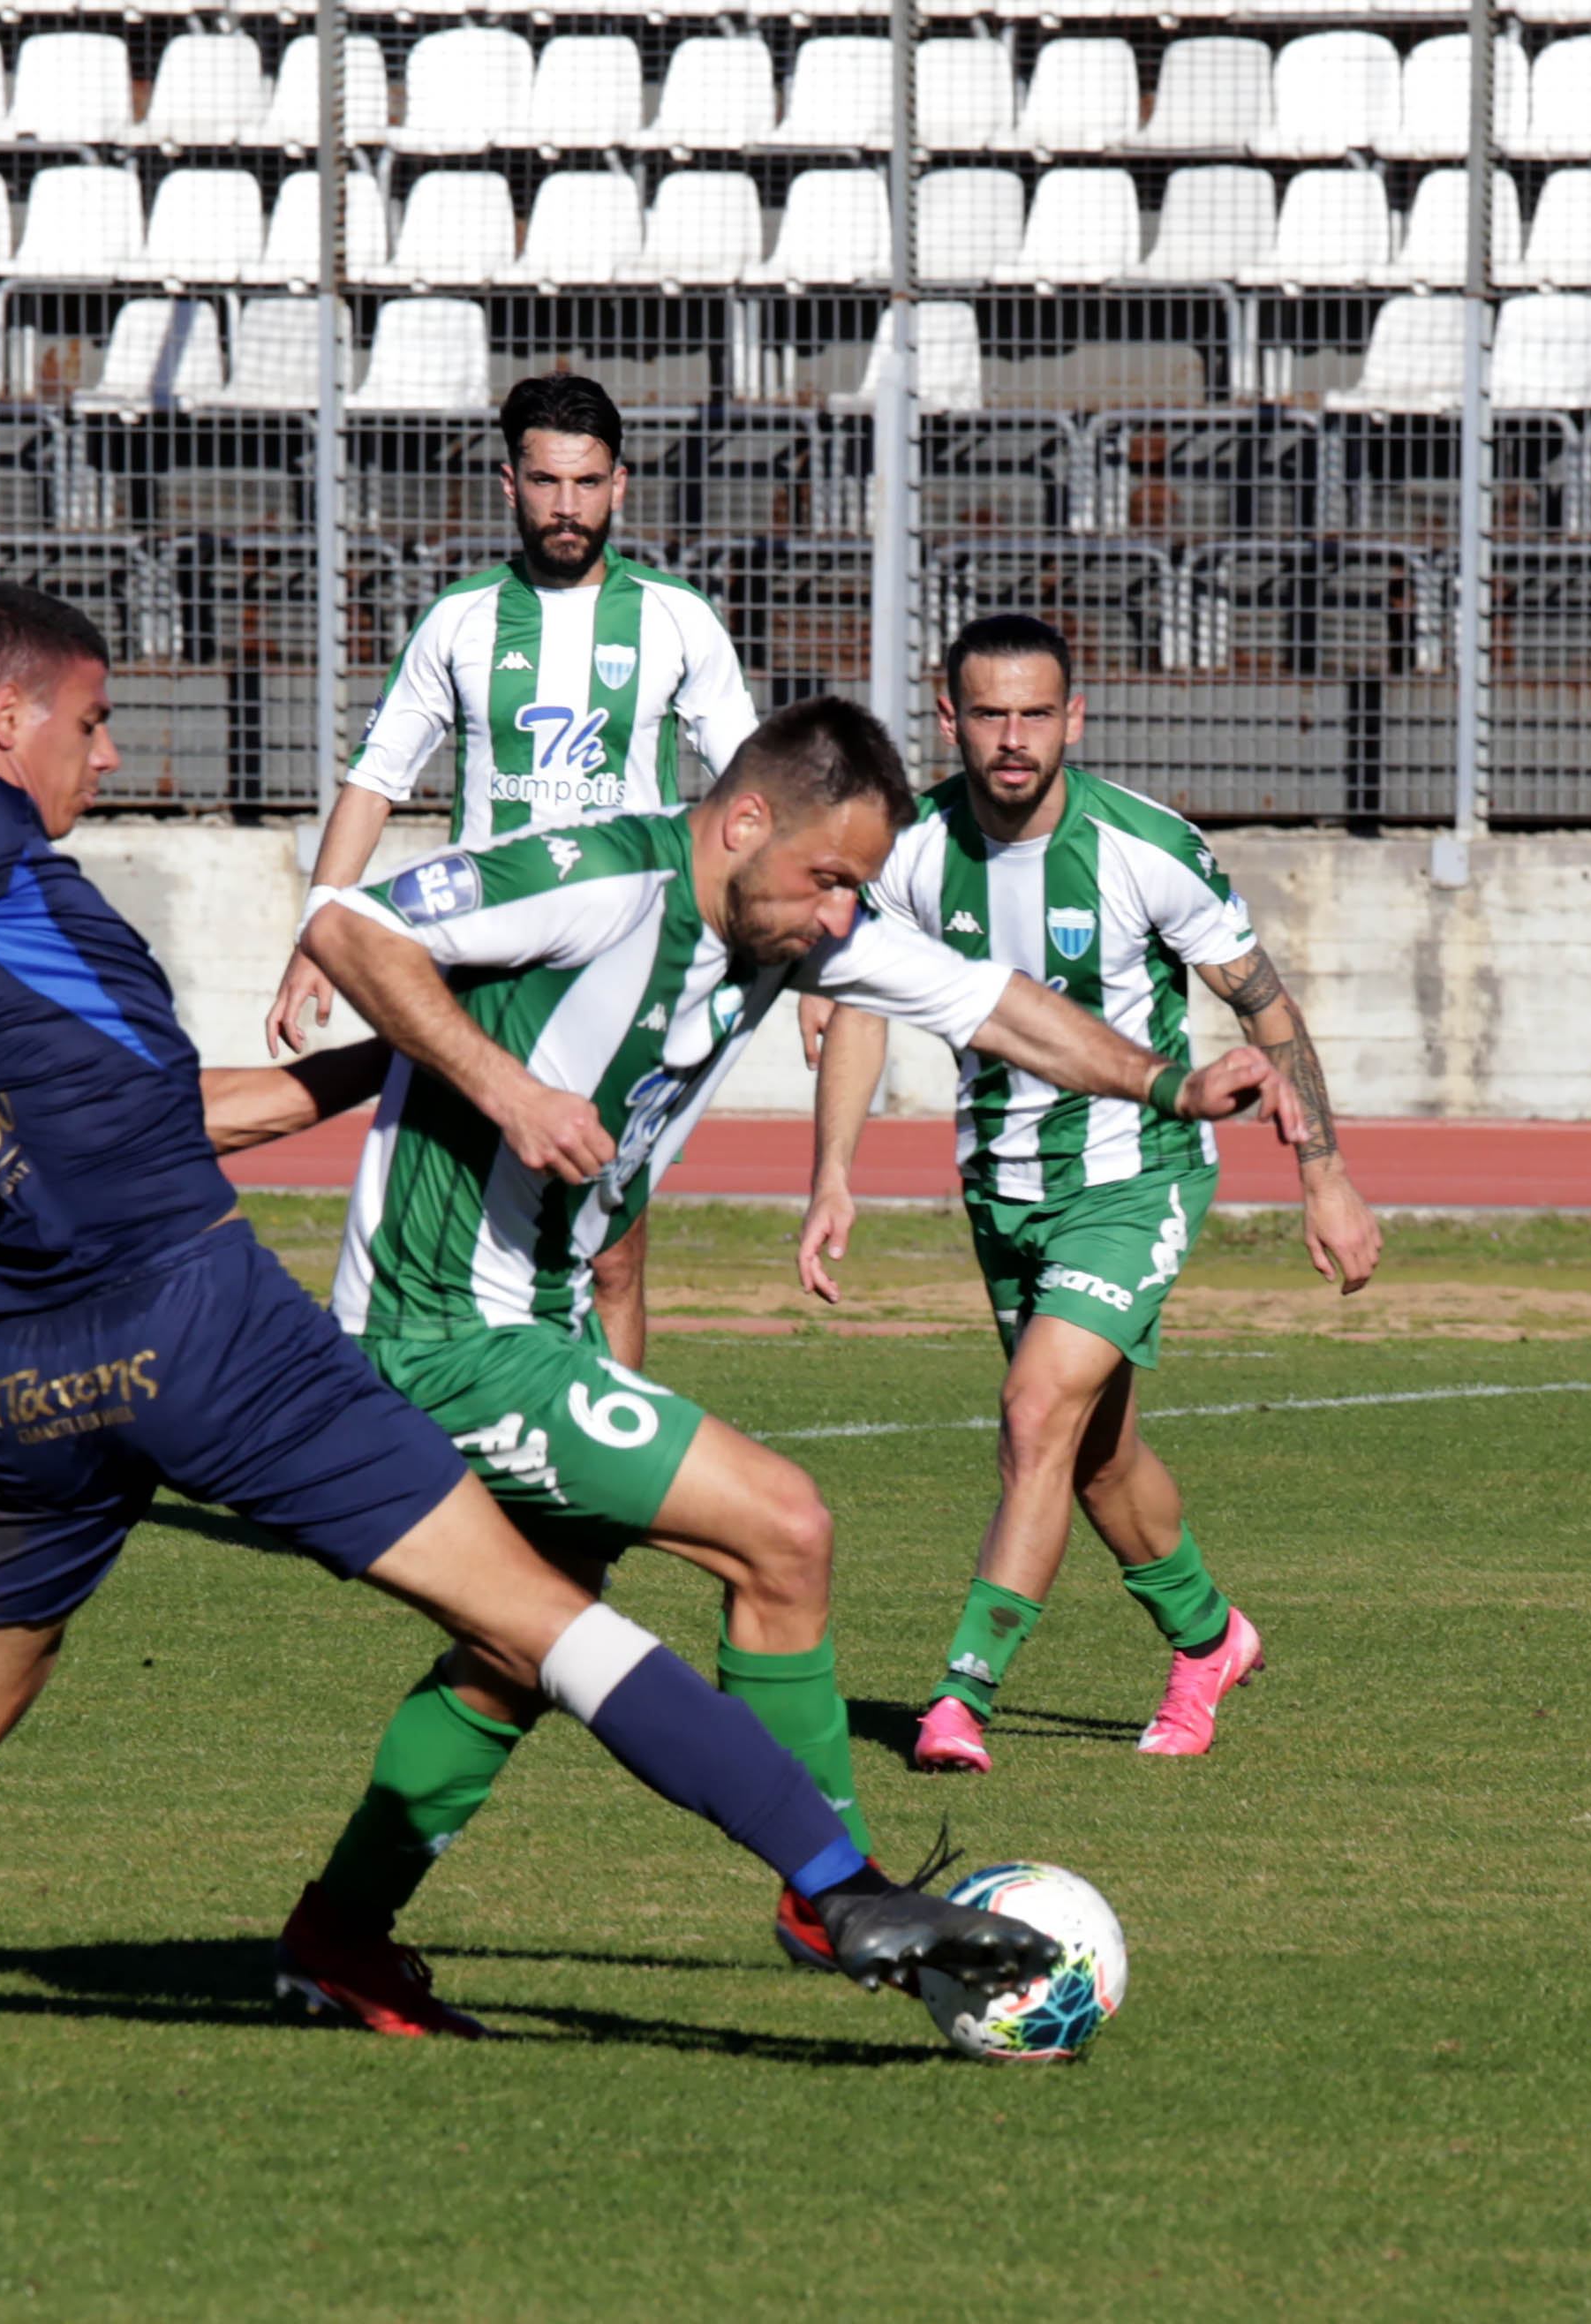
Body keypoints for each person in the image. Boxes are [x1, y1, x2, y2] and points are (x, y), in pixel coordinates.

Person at [0, 583, 1060, 2059]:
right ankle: (835, 1880)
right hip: (206, 1326)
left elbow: (197, 1110)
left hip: (39, 1375)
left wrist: (424, 1049)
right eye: (92, 723)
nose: (109, 751)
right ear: (10, 717)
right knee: (538, 1615)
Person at [266, 694, 1302, 2037]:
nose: (838, 917)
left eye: (857, 889)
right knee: (781, 1525)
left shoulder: (799, 926)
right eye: (827, 879)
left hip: (534, 1325)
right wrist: (503, 1084)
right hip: (439, 1335)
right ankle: (834, 1887)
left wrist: (1164, 1084)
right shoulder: (604, 878)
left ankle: (340, 1937)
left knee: (518, 1646)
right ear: (744, 821)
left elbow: (992, 1006)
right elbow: (350, 923)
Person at [803, 613, 1383, 1774]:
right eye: (988, 713)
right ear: (949, 715)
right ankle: (1211, 1639)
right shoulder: (910, 847)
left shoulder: (1143, 848)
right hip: (1000, 1187)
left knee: (1032, 1415)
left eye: (1035, 713)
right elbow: (862, 1005)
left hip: (1135, 1176)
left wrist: (1327, 1177)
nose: (1012, 740)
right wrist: (832, 1177)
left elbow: (1266, 1009)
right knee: (1095, 1454)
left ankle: (960, 1697)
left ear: (1075, 717)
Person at [266, 374, 779, 1369]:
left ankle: (610, 1458)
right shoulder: (458, 620)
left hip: (621, 968)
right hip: (483, 964)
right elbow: (375, 783)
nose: (566, 505)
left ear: (619, 486)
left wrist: (796, 960)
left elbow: (756, 798)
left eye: (586, 483)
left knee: (611, 1247)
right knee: (437, 1215)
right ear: (508, 484)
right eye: (545, 481)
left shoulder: (676, 620)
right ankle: (425, 1459)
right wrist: (315, 937)